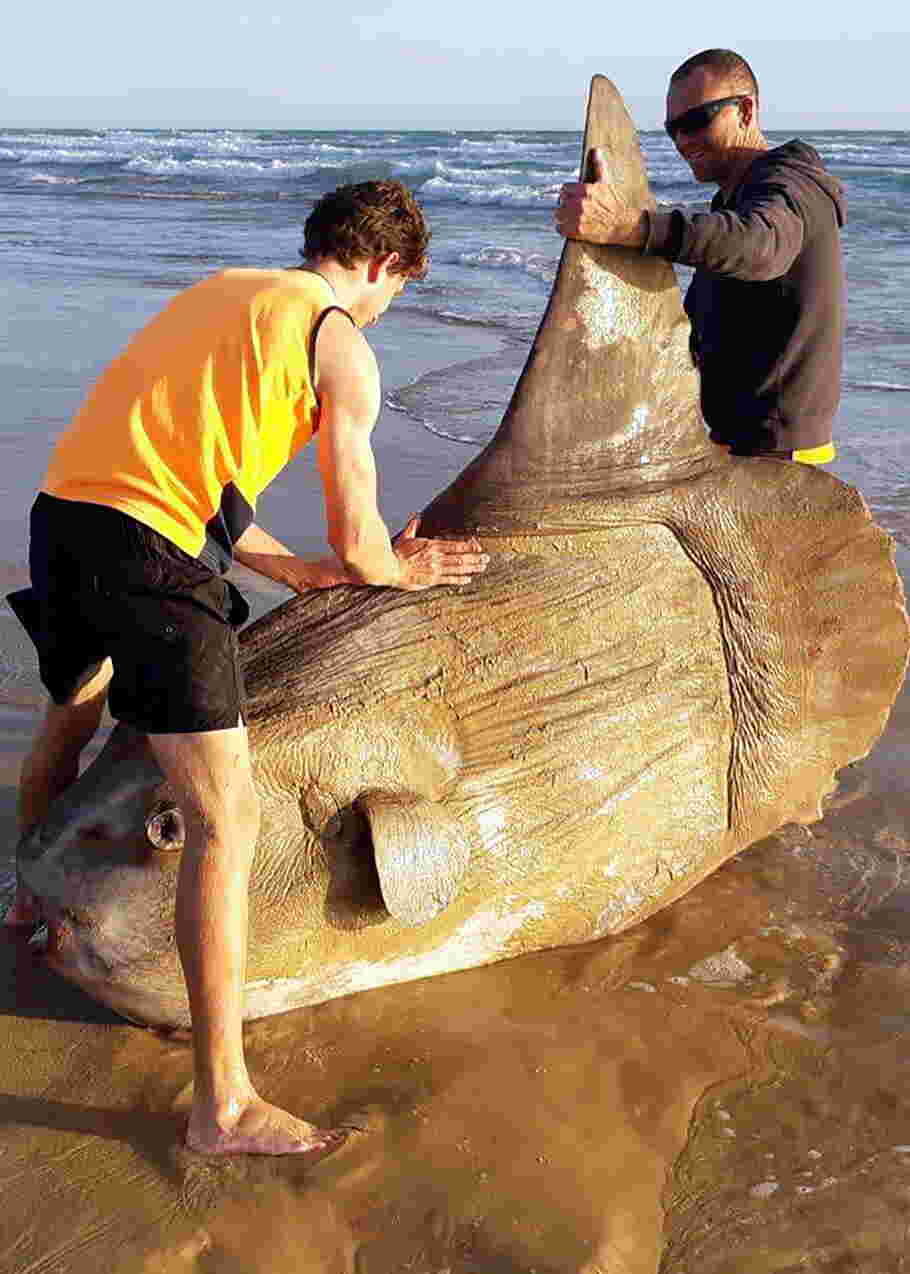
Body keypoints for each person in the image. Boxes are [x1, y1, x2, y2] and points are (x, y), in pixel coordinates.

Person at [2, 179, 489, 1156]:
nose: (386, 311)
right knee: (229, 819)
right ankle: (222, 1105)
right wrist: (398, 569)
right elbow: (362, 545)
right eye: (396, 290)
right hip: (145, 551)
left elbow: (210, 488)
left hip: (65, 518)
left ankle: (28, 899)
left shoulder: (223, 292)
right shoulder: (337, 339)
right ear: (387, 265)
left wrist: (291, 571)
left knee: (73, 711)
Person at [555, 48, 846, 462]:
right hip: (737, 442)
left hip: (779, 455)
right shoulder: (733, 203)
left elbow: (760, 246)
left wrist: (629, 227)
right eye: (673, 129)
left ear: (746, 111)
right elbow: (704, 327)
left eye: (696, 121)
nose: (684, 141)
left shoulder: (790, 186)